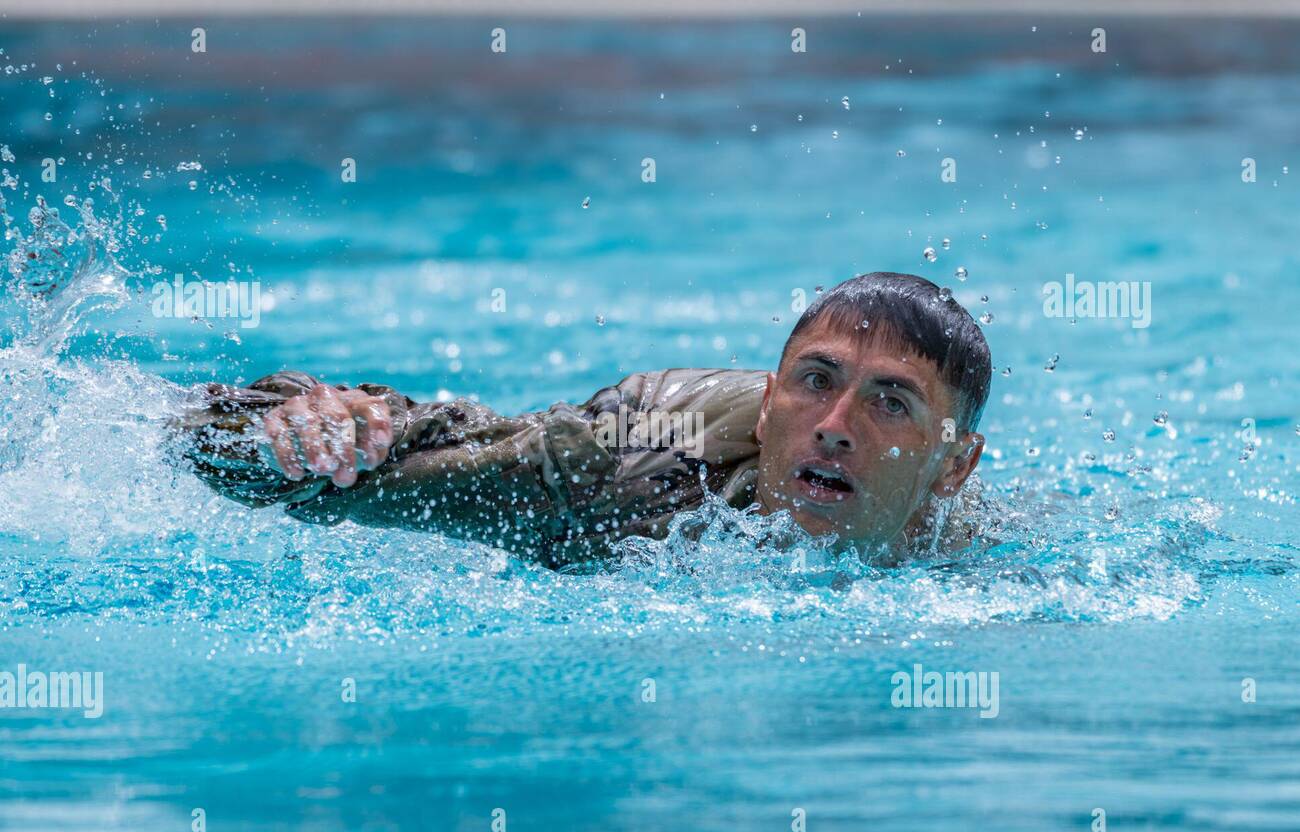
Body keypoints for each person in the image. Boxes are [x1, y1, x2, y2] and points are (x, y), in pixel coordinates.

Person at [170, 272, 992, 568]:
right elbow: (207, 449)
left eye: (891, 401)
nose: (837, 423)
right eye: (817, 381)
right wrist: (319, 424)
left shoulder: (992, 573)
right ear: (773, 399)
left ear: (952, 467)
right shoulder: (629, 465)